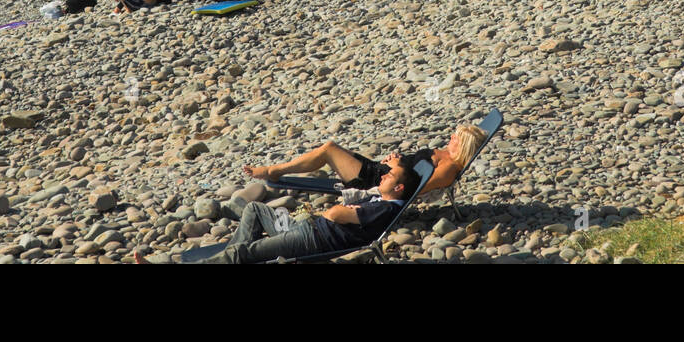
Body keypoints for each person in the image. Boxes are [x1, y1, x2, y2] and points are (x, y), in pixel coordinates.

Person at [176, 158, 421, 265]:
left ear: (398, 187)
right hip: (308, 229)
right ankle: (232, 258)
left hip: (312, 240)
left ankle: (233, 258)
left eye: (390, 176)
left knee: (244, 252)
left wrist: (336, 212)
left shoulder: (384, 208)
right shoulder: (380, 199)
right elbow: (341, 213)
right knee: (255, 208)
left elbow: (336, 214)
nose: (384, 175)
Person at [243, 122, 488, 195]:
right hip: (382, 170)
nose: (451, 138)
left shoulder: (449, 167)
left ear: (464, 146)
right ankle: (276, 171)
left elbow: (414, 189)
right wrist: (397, 160)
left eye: (456, 138)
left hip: (375, 180)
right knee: (331, 149)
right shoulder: (445, 156)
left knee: (329, 149)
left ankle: (273, 171)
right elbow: (414, 169)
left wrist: (395, 168)